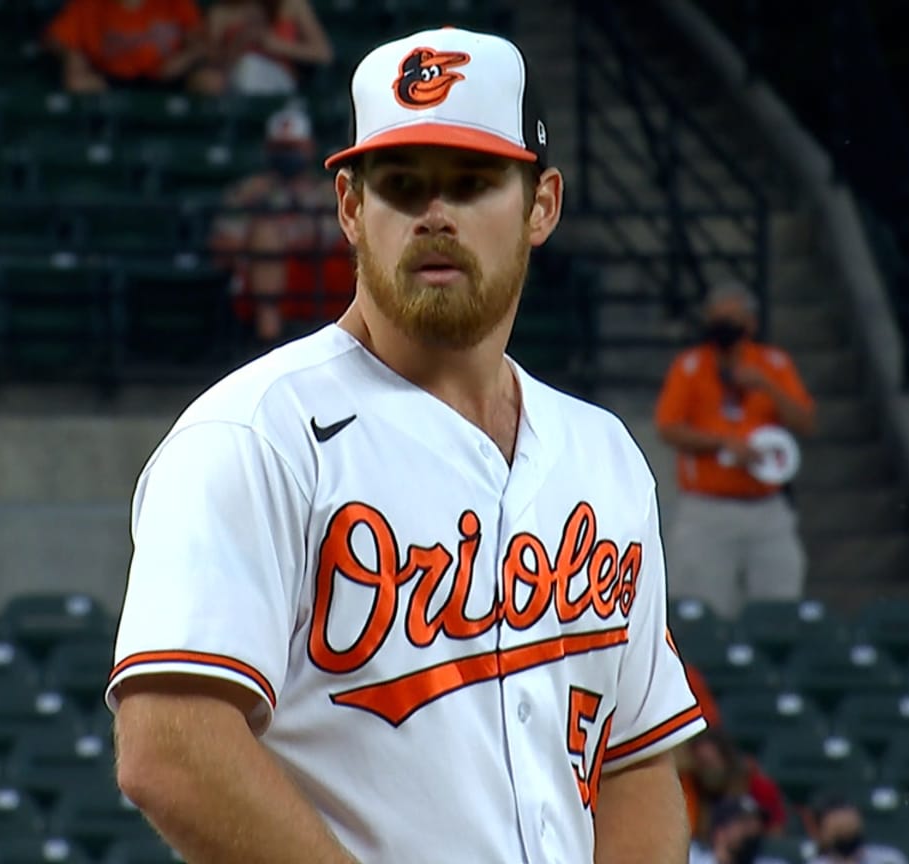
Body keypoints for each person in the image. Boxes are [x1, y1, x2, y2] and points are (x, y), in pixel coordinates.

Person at [108, 26, 706, 864]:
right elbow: (169, 747)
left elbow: (636, 756)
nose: (435, 214)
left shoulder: (601, 454)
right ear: (351, 207)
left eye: (472, 182)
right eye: (402, 186)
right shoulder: (255, 436)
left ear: (542, 205)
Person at [654, 281, 817, 616]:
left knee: (780, 605)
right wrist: (723, 443)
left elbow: (806, 422)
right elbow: (668, 427)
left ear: (751, 324)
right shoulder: (691, 366)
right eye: (719, 319)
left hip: (766, 507)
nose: (725, 327)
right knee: (703, 608)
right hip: (707, 510)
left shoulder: (772, 364)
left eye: (733, 319)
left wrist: (767, 386)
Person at [209, 101, 352, 345]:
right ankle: (268, 342)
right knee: (266, 237)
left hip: (321, 275)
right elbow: (223, 244)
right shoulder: (249, 192)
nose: (288, 155)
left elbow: (341, 237)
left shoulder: (329, 191)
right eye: (281, 148)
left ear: (309, 148)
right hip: (265, 280)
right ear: (268, 149)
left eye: (293, 148)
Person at [44, 0, 214, 95]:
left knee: (209, 81)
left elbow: (201, 40)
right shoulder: (90, 4)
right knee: (76, 83)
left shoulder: (174, 3)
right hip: (110, 79)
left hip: (167, 79)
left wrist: (185, 57)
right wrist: (71, 55)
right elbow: (55, 37)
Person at [201, 0, 332, 97]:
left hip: (280, 76)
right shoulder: (222, 12)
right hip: (232, 76)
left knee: (248, 68)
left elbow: (323, 53)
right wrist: (239, 43)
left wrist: (278, 45)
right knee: (210, 79)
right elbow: (212, 60)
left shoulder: (292, 4)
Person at [678, 728, 787, 841]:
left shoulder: (758, 786)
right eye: (700, 764)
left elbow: (776, 832)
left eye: (709, 763)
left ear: (725, 759)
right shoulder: (693, 789)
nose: (705, 771)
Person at [804, 792, 909, 864]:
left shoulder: (889, 860)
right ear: (824, 835)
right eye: (839, 831)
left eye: (850, 830)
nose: (845, 833)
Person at [689, 796, 791, 864]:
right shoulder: (693, 860)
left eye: (758, 821)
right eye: (745, 821)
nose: (754, 828)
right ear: (720, 831)